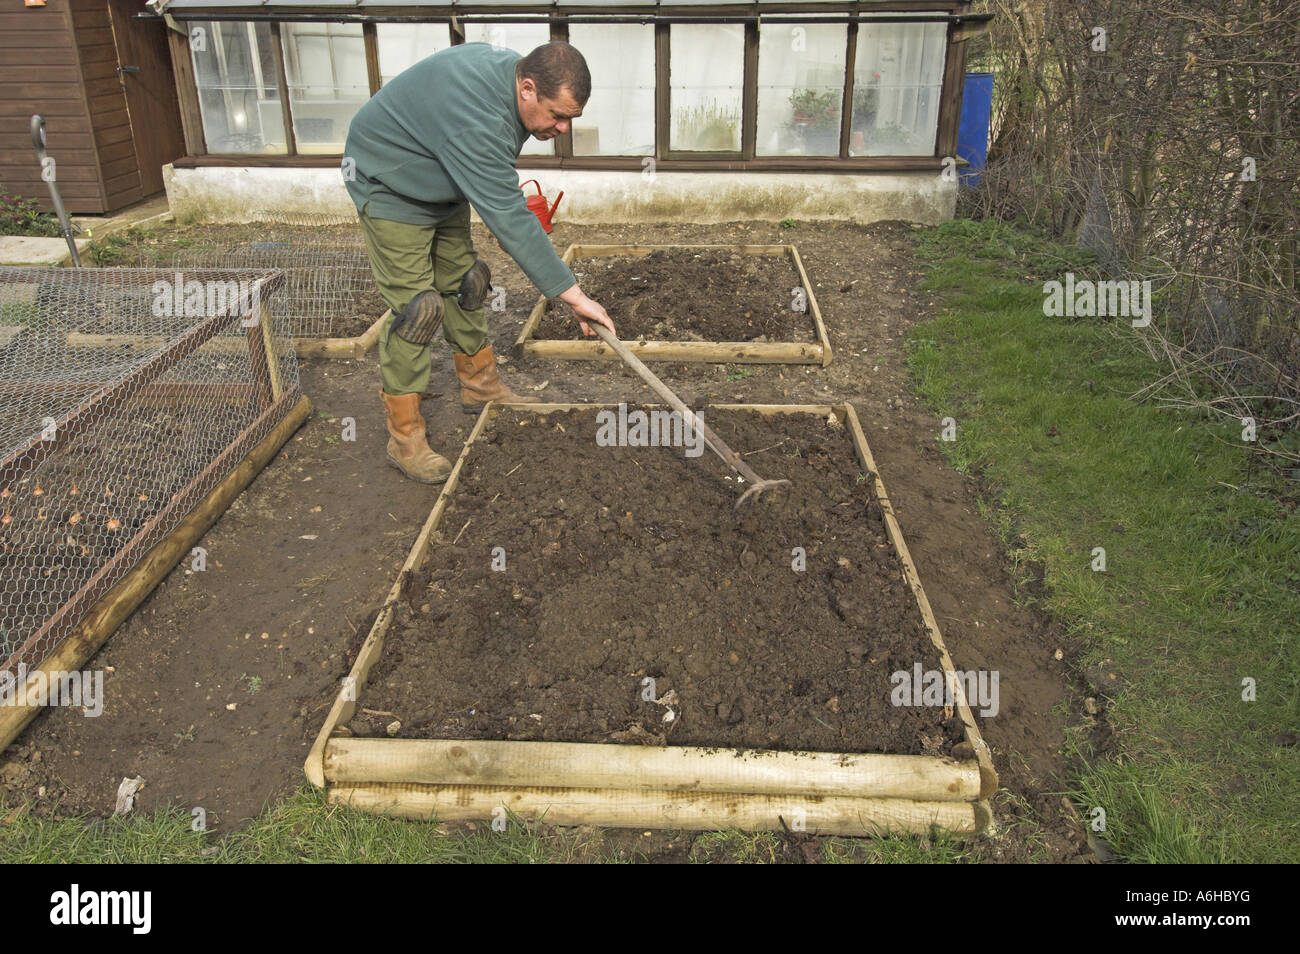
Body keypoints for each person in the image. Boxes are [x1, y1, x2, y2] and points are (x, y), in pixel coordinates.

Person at [343, 40, 616, 483]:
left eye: (572, 118)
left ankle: (481, 388)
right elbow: (509, 216)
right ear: (526, 88)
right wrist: (573, 295)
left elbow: (499, 199)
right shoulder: (476, 120)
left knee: (469, 281)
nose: (563, 128)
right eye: (558, 115)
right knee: (419, 308)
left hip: (442, 177)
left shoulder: (513, 79)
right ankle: (405, 436)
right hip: (389, 181)